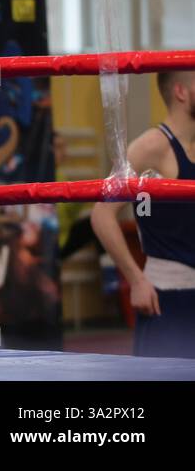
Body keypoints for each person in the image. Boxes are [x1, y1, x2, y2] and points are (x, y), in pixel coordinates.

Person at [91, 70, 195, 359]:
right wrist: (135, 280)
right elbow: (102, 214)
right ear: (181, 92)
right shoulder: (152, 146)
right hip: (168, 299)